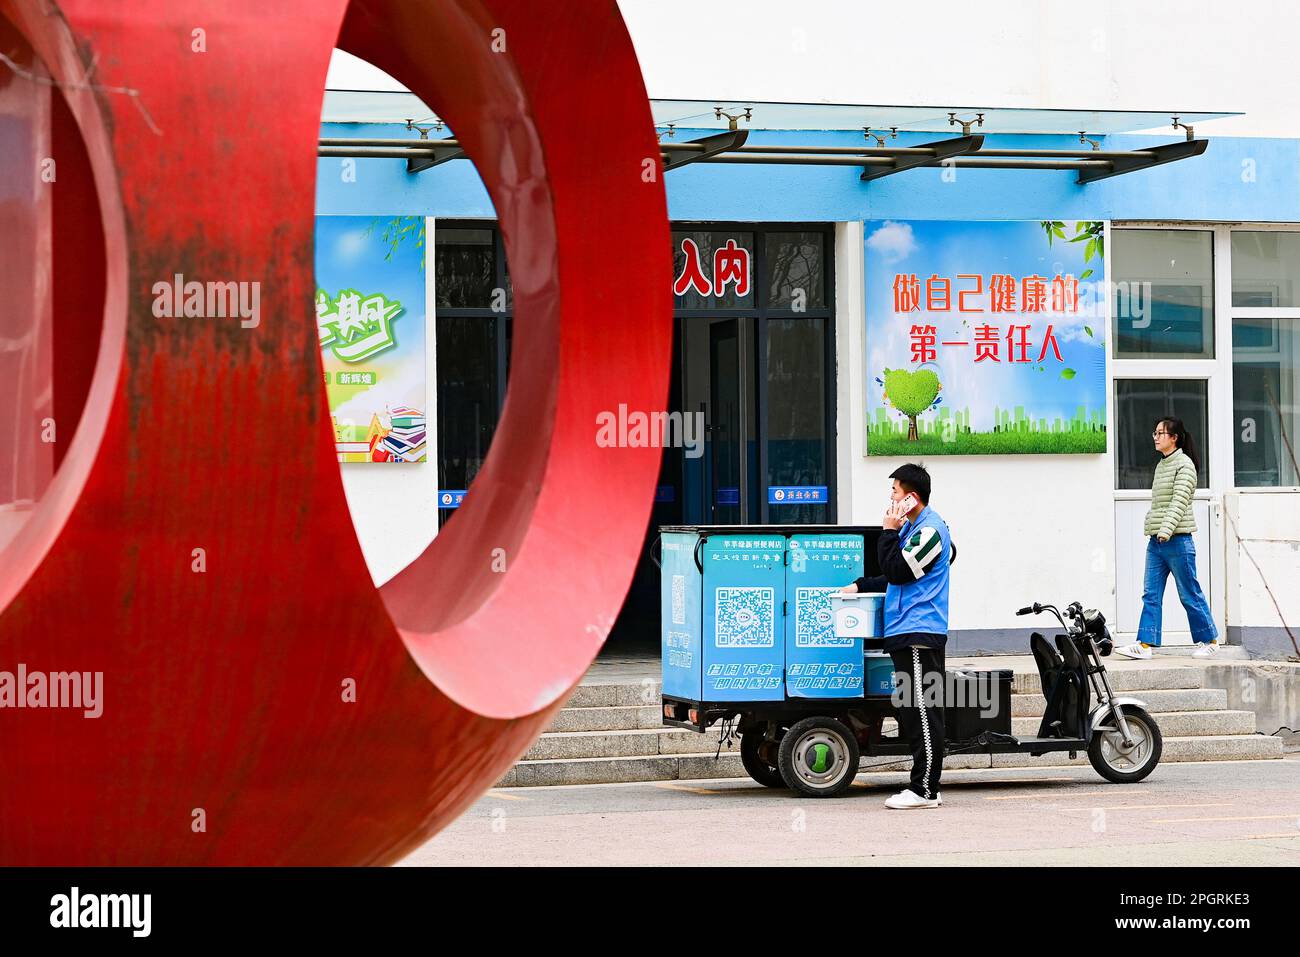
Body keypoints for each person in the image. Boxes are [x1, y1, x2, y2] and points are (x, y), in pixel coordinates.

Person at [841, 463, 952, 809]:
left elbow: (897, 570)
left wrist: (887, 530)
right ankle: (922, 786)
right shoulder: (915, 530)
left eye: (894, 492)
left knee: (923, 710)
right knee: (912, 708)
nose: (890, 498)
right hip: (905, 631)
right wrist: (860, 585)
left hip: (920, 632)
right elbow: (892, 577)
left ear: (911, 498)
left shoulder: (930, 531)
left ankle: (925, 790)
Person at [1116, 416, 1220, 660]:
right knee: (1151, 593)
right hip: (1157, 541)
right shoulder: (1163, 464)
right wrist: (1155, 530)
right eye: (1155, 433)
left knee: (1189, 593)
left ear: (1174, 438)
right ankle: (1145, 644)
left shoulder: (1184, 465)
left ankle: (1211, 640)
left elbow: (1180, 500)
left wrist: (1166, 529)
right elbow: (1161, 502)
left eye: (1160, 433)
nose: (1155, 437)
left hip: (1177, 540)